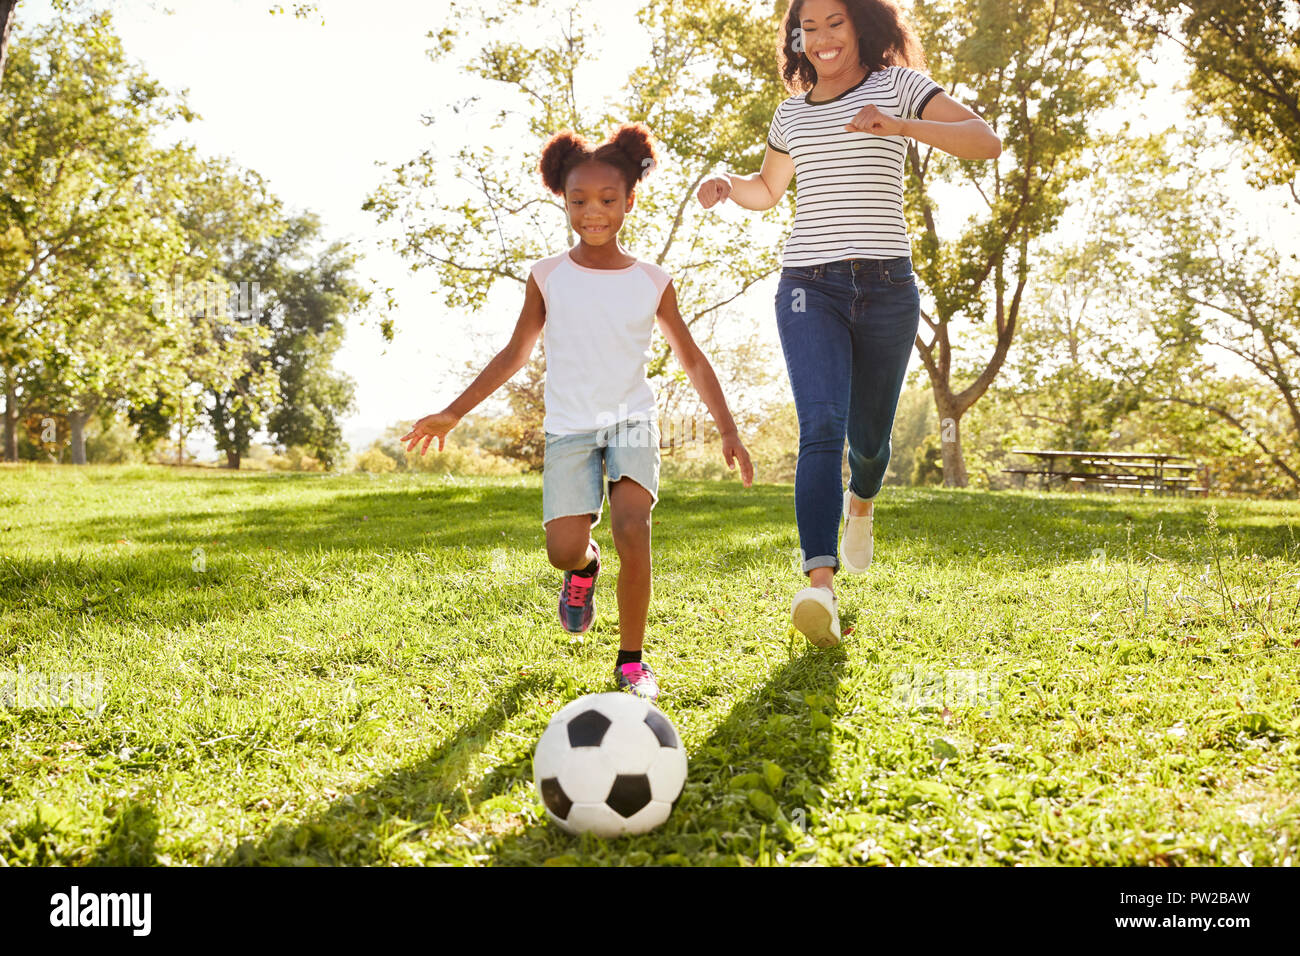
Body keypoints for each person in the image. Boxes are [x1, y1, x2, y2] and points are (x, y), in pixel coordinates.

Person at [403, 123, 754, 701]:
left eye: (608, 200)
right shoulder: (547, 276)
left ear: (630, 201)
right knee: (562, 548)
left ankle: (632, 661)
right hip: (569, 428)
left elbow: (691, 360)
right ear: (562, 200)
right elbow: (516, 353)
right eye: (580, 201)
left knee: (632, 527)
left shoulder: (652, 281)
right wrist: (453, 411)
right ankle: (583, 571)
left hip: (631, 421)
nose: (594, 212)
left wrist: (729, 430)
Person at [698, 0, 1000, 648]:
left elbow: (984, 140)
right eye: (810, 27)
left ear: (862, 25)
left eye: (836, 22)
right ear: (797, 37)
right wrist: (728, 183)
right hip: (810, 285)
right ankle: (820, 587)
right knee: (823, 426)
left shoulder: (898, 86)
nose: (823, 37)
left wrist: (899, 127)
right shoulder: (791, 114)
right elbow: (769, 188)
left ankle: (862, 501)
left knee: (868, 443)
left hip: (888, 288)